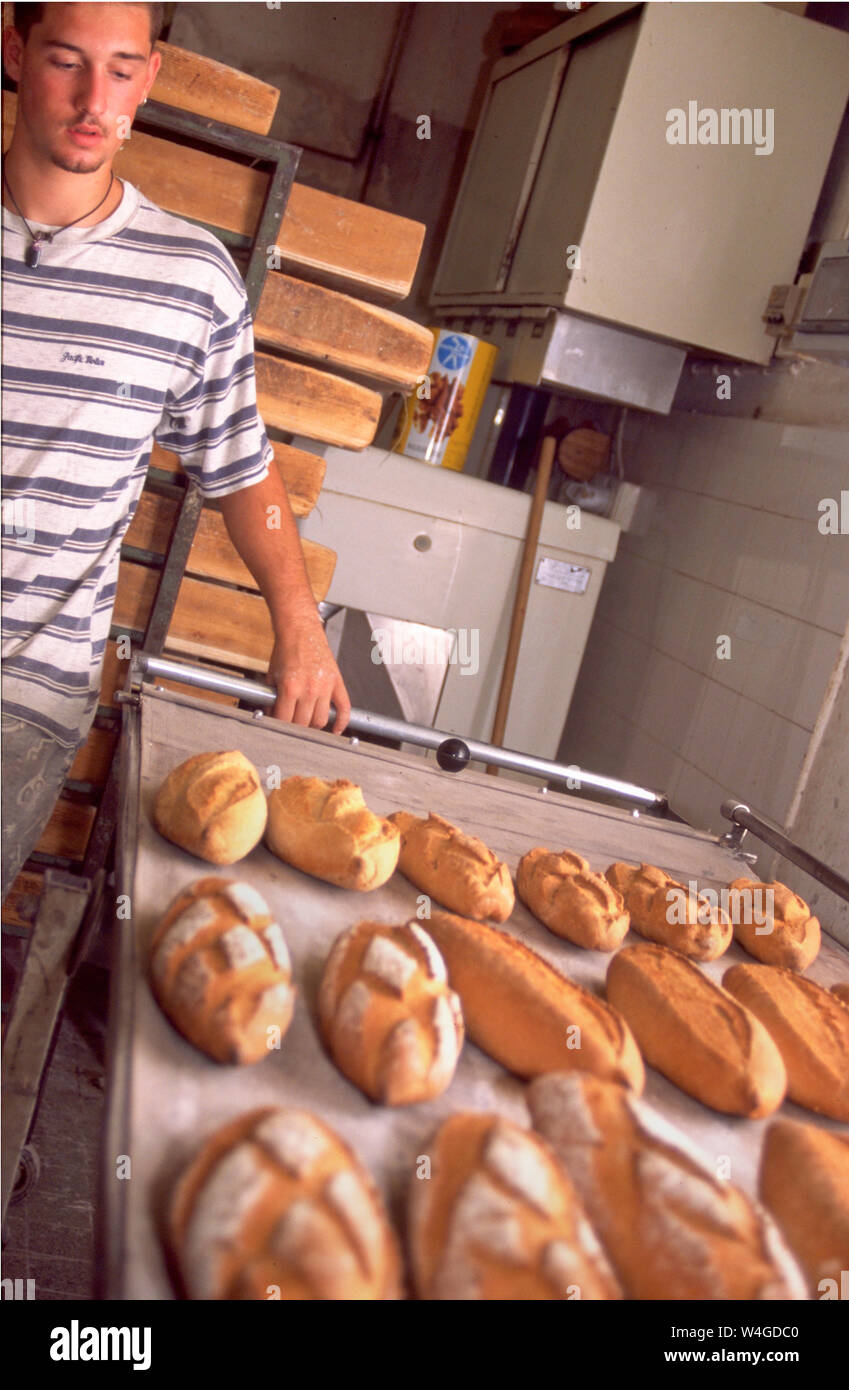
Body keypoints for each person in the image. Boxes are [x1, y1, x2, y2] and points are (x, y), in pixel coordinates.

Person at [1, 1, 351, 900]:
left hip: (24, 693)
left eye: (121, 70)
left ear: (150, 77)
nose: (92, 99)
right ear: (13, 50)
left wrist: (300, 631)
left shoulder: (187, 281)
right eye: (66, 61)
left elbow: (241, 469)